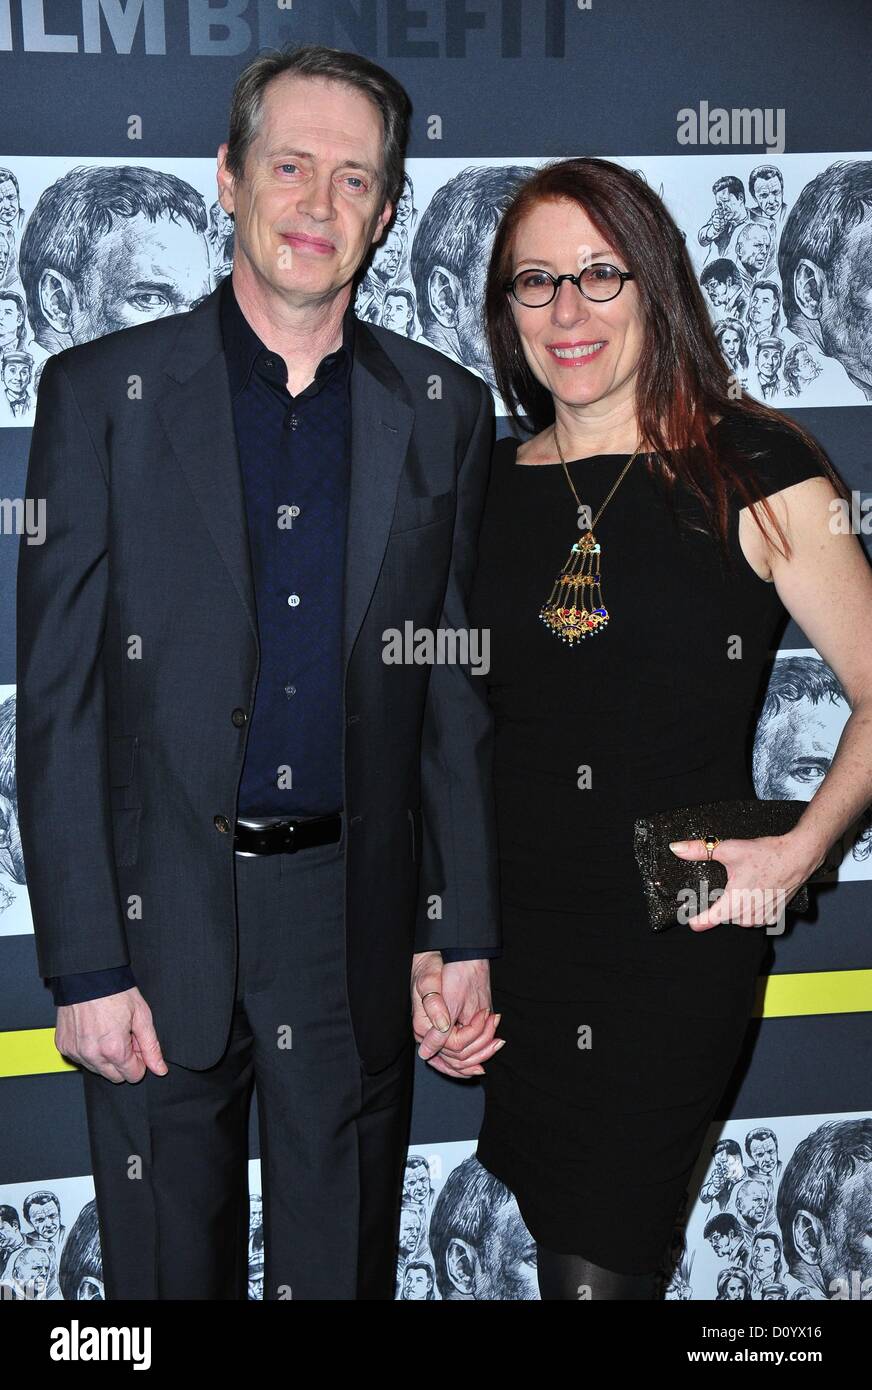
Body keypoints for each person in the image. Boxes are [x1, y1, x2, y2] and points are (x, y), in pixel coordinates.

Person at [16, 42, 503, 1302]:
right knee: (161, 1289)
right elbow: (57, 706)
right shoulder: (99, 398)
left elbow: (448, 691)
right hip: (154, 919)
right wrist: (83, 964)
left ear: (387, 213)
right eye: (290, 166)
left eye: (352, 180)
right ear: (227, 178)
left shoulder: (443, 410)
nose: (318, 205)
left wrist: (456, 929)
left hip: (352, 921)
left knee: (338, 1276)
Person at [469, 156, 872, 1300]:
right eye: (533, 282)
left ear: (655, 285)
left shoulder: (749, 464)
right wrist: (445, 944)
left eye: (599, 275)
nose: (567, 310)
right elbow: (457, 735)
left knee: (595, 1265)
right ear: (504, 311)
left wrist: (800, 850)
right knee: (570, 1250)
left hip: (672, 929)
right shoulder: (482, 488)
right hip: (525, 937)